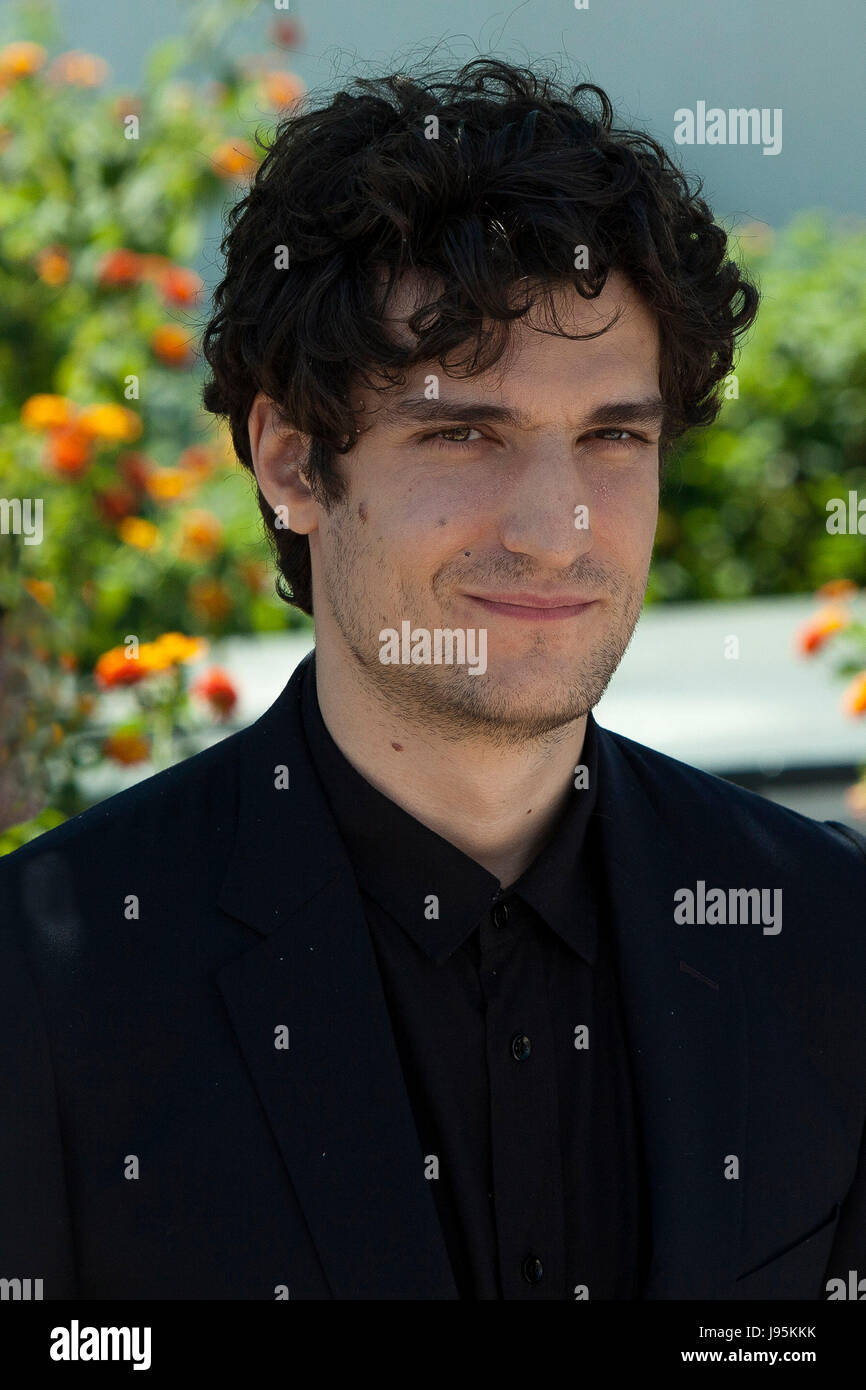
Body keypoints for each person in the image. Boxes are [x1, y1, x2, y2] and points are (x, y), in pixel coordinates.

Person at [1, 57, 864, 1301]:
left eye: (611, 437)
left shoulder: (826, 938)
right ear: (292, 463)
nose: (558, 525)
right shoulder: (49, 987)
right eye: (465, 432)